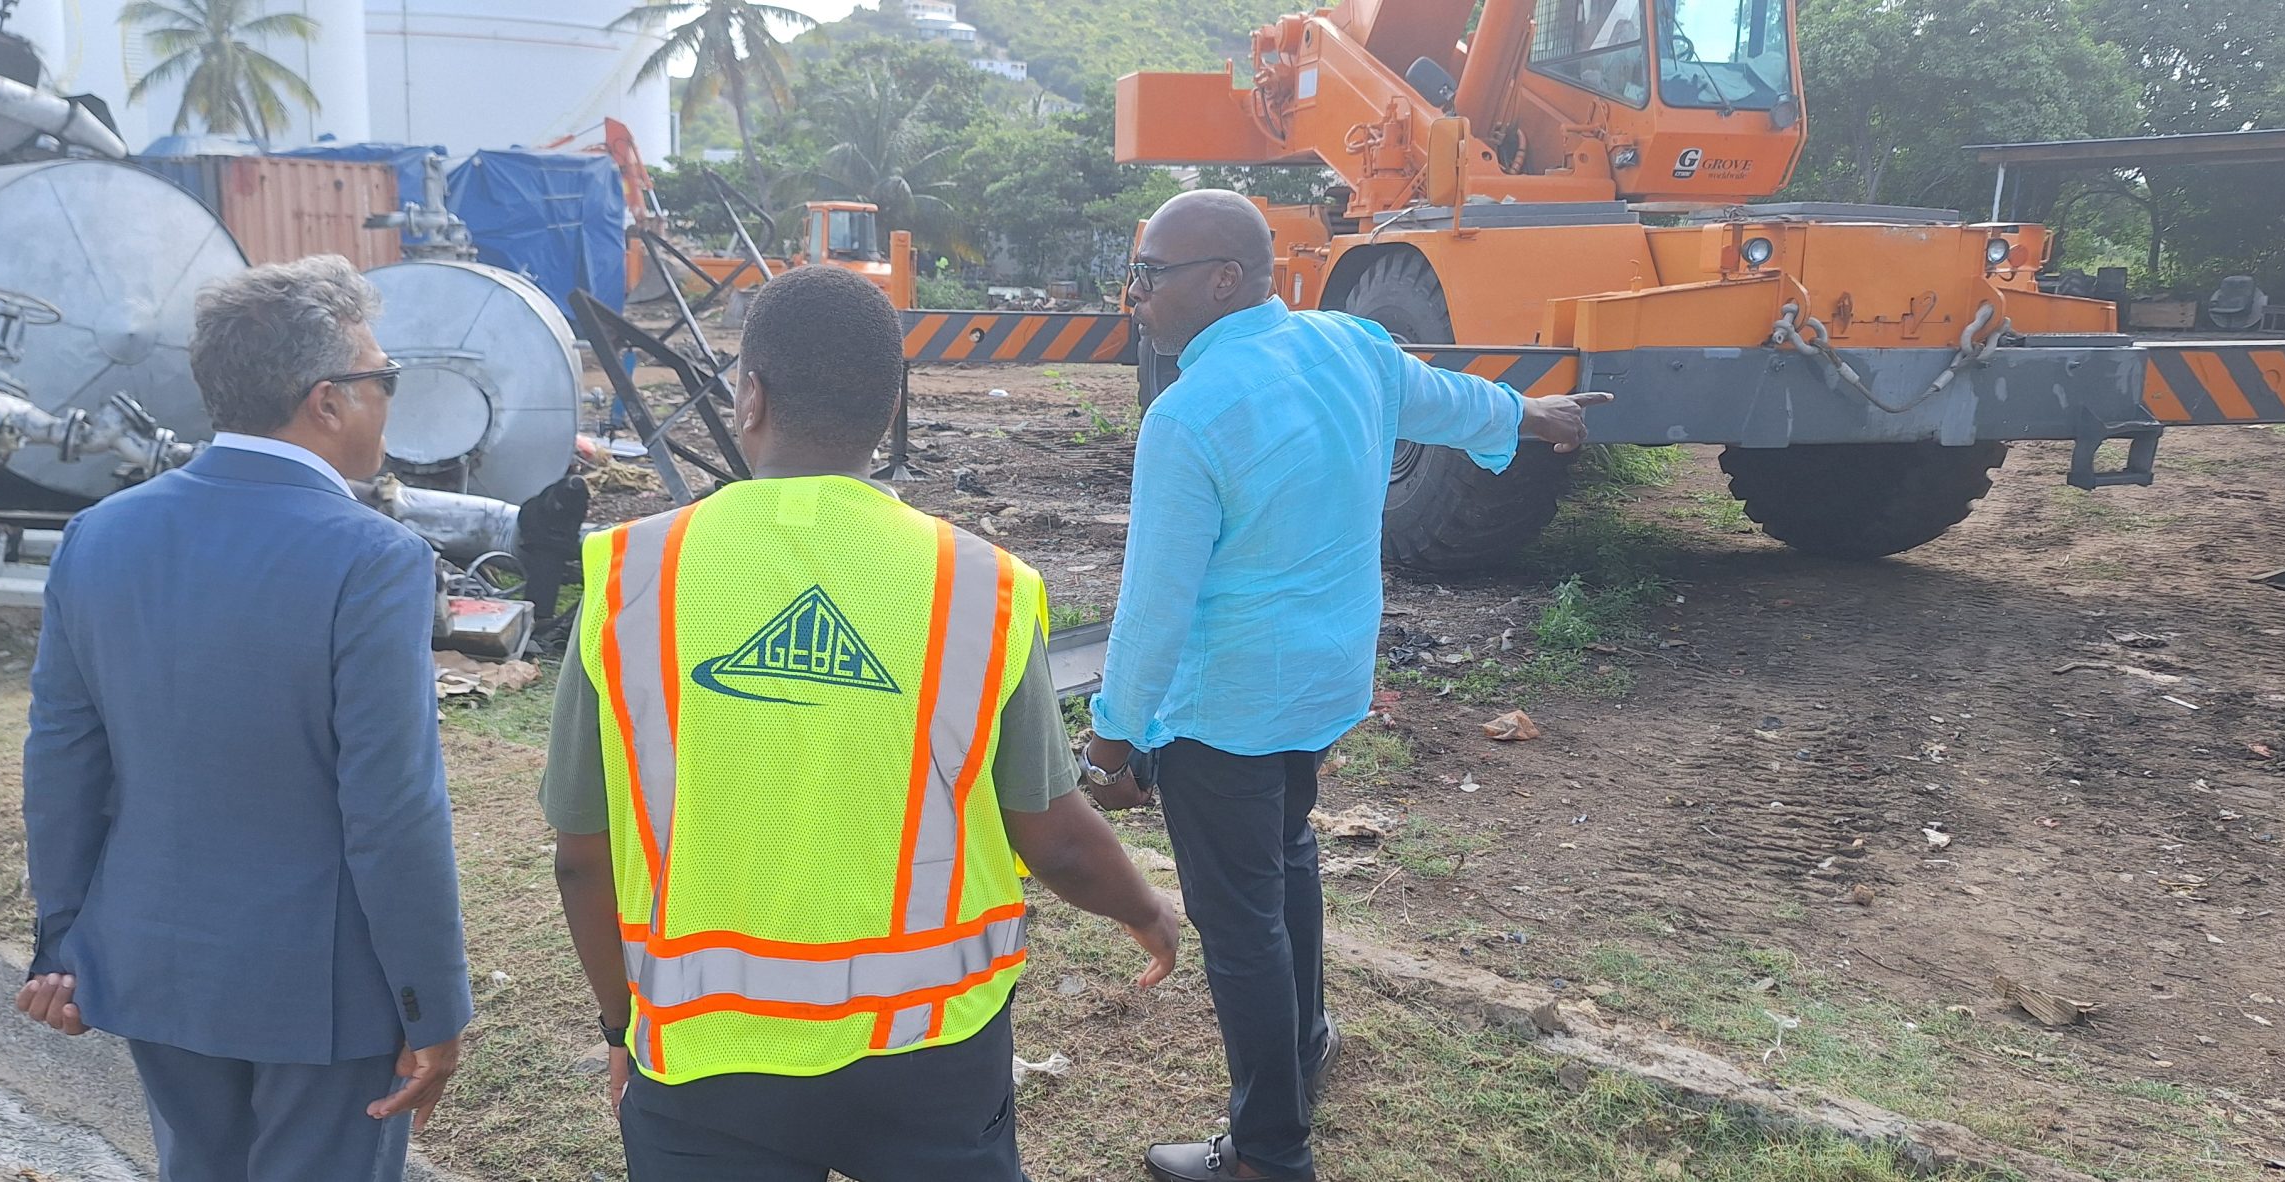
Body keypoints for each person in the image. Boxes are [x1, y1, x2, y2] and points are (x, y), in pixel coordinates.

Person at [542, 265, 1181, 1181]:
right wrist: (1147, 909)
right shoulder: (983, 589)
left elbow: (582, 856)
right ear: (889, 413)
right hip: (931, 1049)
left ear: (749, 394)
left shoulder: (633, 579)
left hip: (707, 1056)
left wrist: (621, 1025)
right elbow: (1056, 836)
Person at [1082, 191, 1608, 1182]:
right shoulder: (1346, 346)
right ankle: (1308, 1040)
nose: (1133, 291)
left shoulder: (1189, 414)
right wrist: (1537, 415)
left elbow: (1155, 607)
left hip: (1225, 709)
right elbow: (1447, 401)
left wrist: (1110, 744)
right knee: (1285, 857)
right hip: (1322, 687)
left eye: (1151, 273)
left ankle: (1267, 1154)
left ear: (1224, 279)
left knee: (1240, 927)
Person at [19, 255, 473, 1181]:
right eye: (382, 378)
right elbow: (390, 807)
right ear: (328, 401)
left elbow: (64, 756)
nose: (388, 396)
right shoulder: (374, 557)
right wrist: (433, 1004)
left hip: (151, 966)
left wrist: (61, 943)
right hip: (324, 990)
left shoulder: (100, 535)